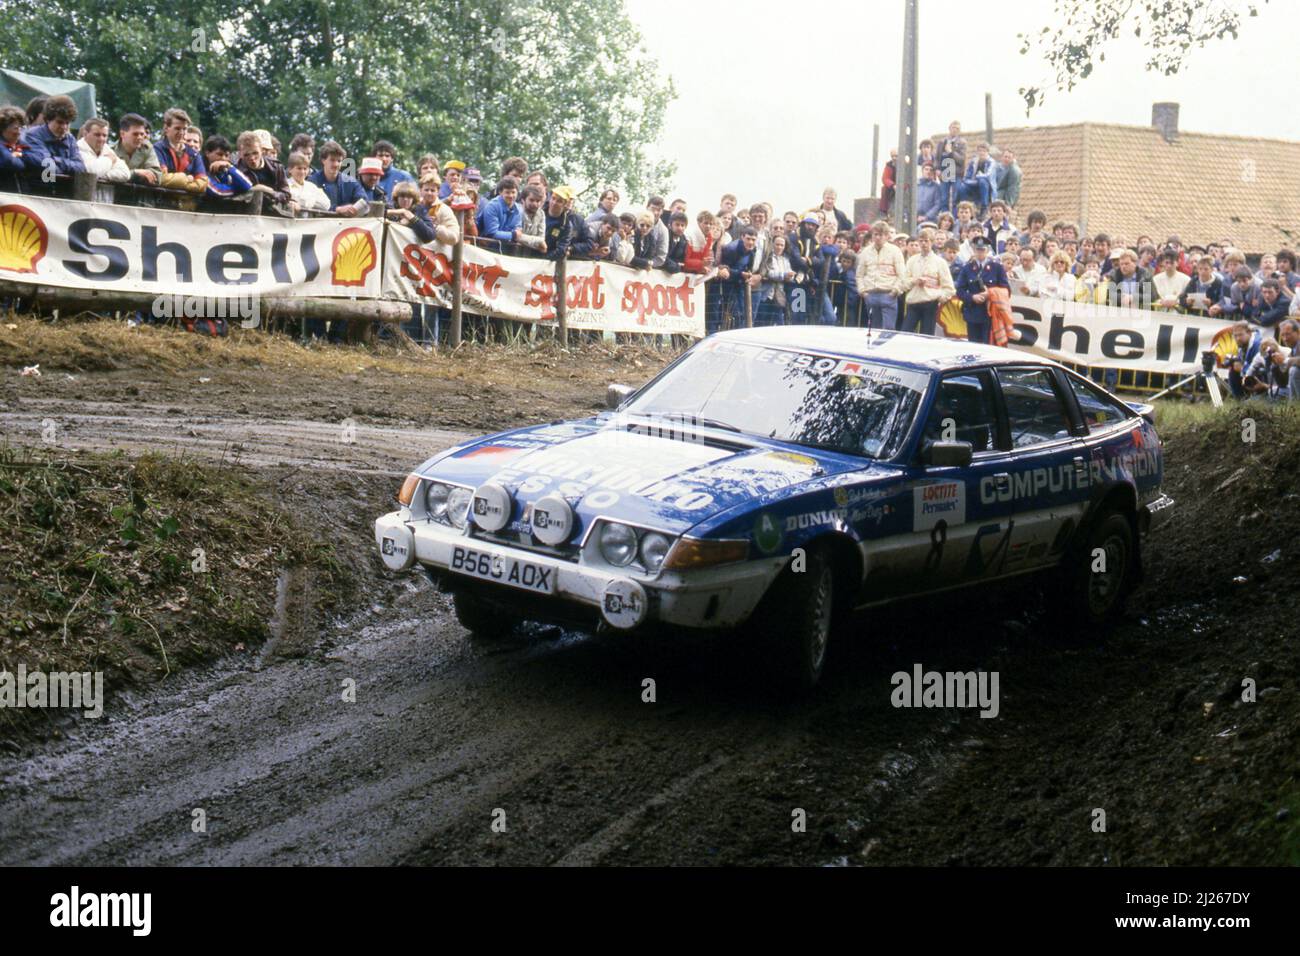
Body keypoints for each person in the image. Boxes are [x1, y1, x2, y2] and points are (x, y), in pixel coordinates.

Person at [855, 221, 907, 330]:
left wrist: (895, 291)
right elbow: (860, 275)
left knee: (888, 330)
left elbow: (902, 275)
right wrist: (863, 291)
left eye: (881, 235)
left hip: (888, 294)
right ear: (872, 235)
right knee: (873, 329)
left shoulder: (895, 251)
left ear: (887, 236)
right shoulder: (865, 252)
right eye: (876, 234)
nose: (878, 237)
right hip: (871, 295)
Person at [956, 236, 1008, 344]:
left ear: (988, 250)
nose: (980, 253)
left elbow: (1006, 290)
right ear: (973, 250)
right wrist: (972, 297)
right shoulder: (967, 268)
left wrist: (990, 293)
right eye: (977, 250)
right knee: (973, 345)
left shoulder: (997, 268)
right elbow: (960, 290)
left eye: (982, 250)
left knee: (988, 346)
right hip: (972, 313)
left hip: (991, 314)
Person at [20, 94, 85, 178]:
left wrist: (56, 160)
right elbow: (46, 164)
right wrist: (67, 165)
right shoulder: (32, 135)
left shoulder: (70, 139)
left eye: (67, 123)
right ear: (48, 119)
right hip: (37, 186)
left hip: (62, 188)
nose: (64, 127)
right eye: (60, 122)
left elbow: (81, 168)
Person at [903, 231, 955, 335]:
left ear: (931, 242)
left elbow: (949, 288)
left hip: (930, 303)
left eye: (926, 241)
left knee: (926, 336)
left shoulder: (940, 262)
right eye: (921, 241)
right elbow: (903, 283)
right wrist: (914, 281)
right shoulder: (912, 261)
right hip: (914, 301)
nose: (923, 244)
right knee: (905, 332)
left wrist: (940, 297)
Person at [236, 130, 293, 209]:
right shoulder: (236, 170)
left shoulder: (276, 167)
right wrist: (253, 190)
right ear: (240, 154)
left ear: (261, 151)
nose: (252, 158)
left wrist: (270, 192)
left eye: (255, 153)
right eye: (246, 155)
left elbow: (286, 194)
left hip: (273, 213)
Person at [152, 107, 206, 190]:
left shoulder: (194, 153)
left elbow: (202, 183)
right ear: (166, 128)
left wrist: (179, 183)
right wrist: (187, 178)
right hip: (161, 200)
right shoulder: (157, 149)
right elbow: (161, 178)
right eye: (177, 128)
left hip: (187, 202)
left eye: (184, 129)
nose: (181, 132)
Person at [309, 140, 367, 214]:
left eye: (339, 161)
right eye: (332, 160)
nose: (336, 164)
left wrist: (354, 208)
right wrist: (337, 209)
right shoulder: (312, 182)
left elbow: (364, 201)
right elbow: (310, 205)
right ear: (323, 160)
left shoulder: (350, 182)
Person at [113, 113, 163, 185]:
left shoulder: (147, 148)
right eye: (135, 134)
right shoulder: (111, 150)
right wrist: (136, 173)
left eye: (142, 134)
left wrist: (126, 177)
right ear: (122, 134)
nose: (140, 137)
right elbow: (108, 175)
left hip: (140, 194)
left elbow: (156, 176)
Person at [756, 233, 794, 326]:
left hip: (779, 295)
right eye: (777, 244)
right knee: (762, 322)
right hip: (766, 294)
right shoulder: (768, 257)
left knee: (779, 322)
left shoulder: (785, 259)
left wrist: (790, 276)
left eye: (782, 245)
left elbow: (789, 272)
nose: (779, 247)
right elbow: (768, 272)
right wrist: (784, 275)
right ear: (773, 244)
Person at [201, 134, 253, 202]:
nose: (223, 159)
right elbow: (217, 191)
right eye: (220, 154)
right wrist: (238, 190)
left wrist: (230, 168)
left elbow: (247, 185)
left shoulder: (227, 168)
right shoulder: (200, 168)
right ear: (207, 153)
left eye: (226, 155)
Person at [477, 175, 523, 252]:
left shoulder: (519, 209)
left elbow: (517, 230)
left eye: (513, 192)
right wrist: (513, 235)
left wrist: (515, 234)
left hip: (505, 249)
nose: (511, 196)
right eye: (507, 192)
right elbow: (492, 233)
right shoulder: (492, 206)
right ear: (500, 192)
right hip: (485, 248)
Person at [76, 117, 129, 182]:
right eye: (97, 135)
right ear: (85, 134)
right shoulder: (77, 149)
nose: (101, 139)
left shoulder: (107, 149)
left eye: (104, 135)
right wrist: (109, 160)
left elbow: (125, 174)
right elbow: (91, 173)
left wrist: (102, 175)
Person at [0, 106, 35, 192]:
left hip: (22, 196)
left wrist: (18, 155)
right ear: (3, 128)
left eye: (22, 128)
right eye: (16, 128)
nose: (19, 132)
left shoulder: (22, 144)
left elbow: (37, 160)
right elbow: (11, 163)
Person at [516, 183, 548, 256]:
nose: (535, 204)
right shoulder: (516, 211)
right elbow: (516, 236)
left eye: (537, 201)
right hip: (511, 253)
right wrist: (539, 241)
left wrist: (539, 241)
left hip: (528, 256)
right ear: (523, 200)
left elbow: (542, 237)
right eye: (531, 200)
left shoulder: (541, 214)